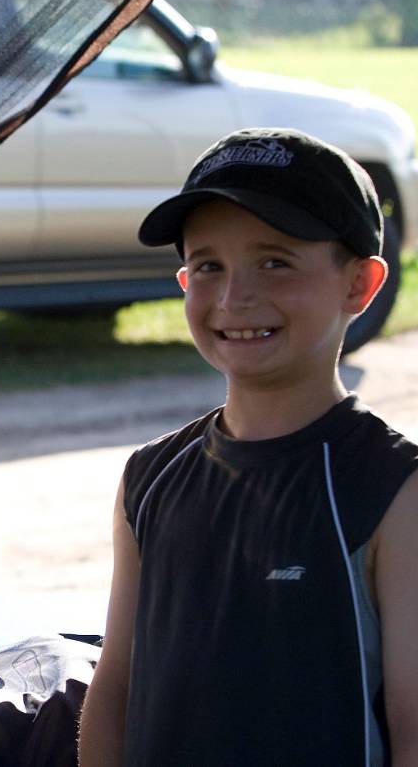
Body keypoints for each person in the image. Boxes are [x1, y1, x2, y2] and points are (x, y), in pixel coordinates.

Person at [78, 127, 418, 766]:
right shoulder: (149, 477)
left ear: (361, 285)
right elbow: (116, 687)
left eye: (275, 262)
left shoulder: (394, 489)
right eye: (210, 266)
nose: (236, 298)